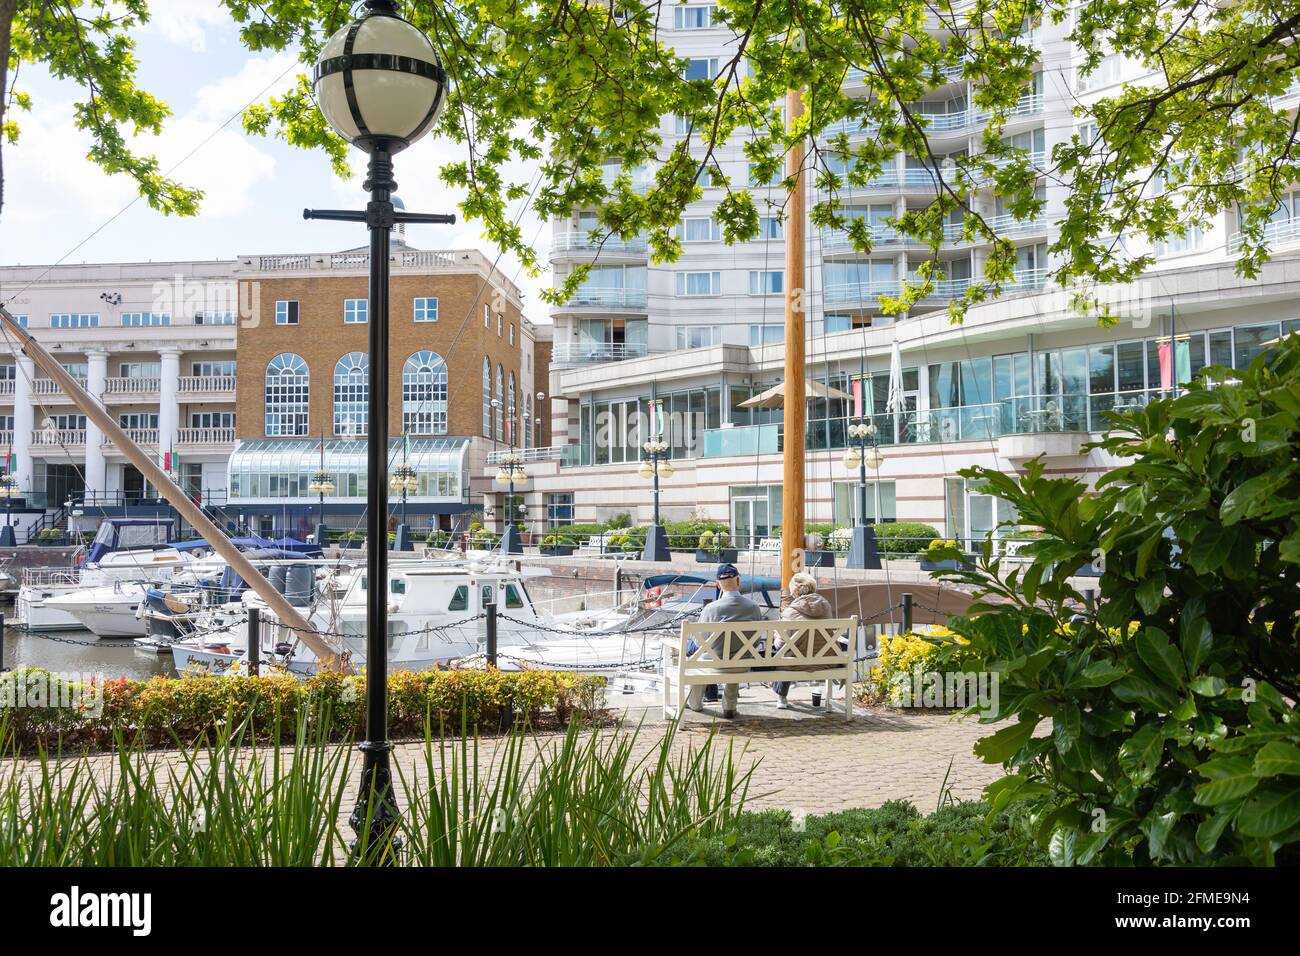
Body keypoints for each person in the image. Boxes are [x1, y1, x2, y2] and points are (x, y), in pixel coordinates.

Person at [686, 563, 764, 719]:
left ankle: (694, 703)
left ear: (717, 584)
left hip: (716, 663)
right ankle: (729, 706)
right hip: (742, 663)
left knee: (695, 653)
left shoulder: (712, 608)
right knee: (737, 652)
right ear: (739, 581)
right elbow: (756, 641)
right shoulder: (754, 607)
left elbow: (700, 640)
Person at [772, 571, 833, 709]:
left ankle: (781, 696)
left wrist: (776, 636)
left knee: (782, 653)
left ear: (795, 592)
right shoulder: (826, 606)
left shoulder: (790, 611)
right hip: (826, 660)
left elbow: (781, 644)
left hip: (796, 663)